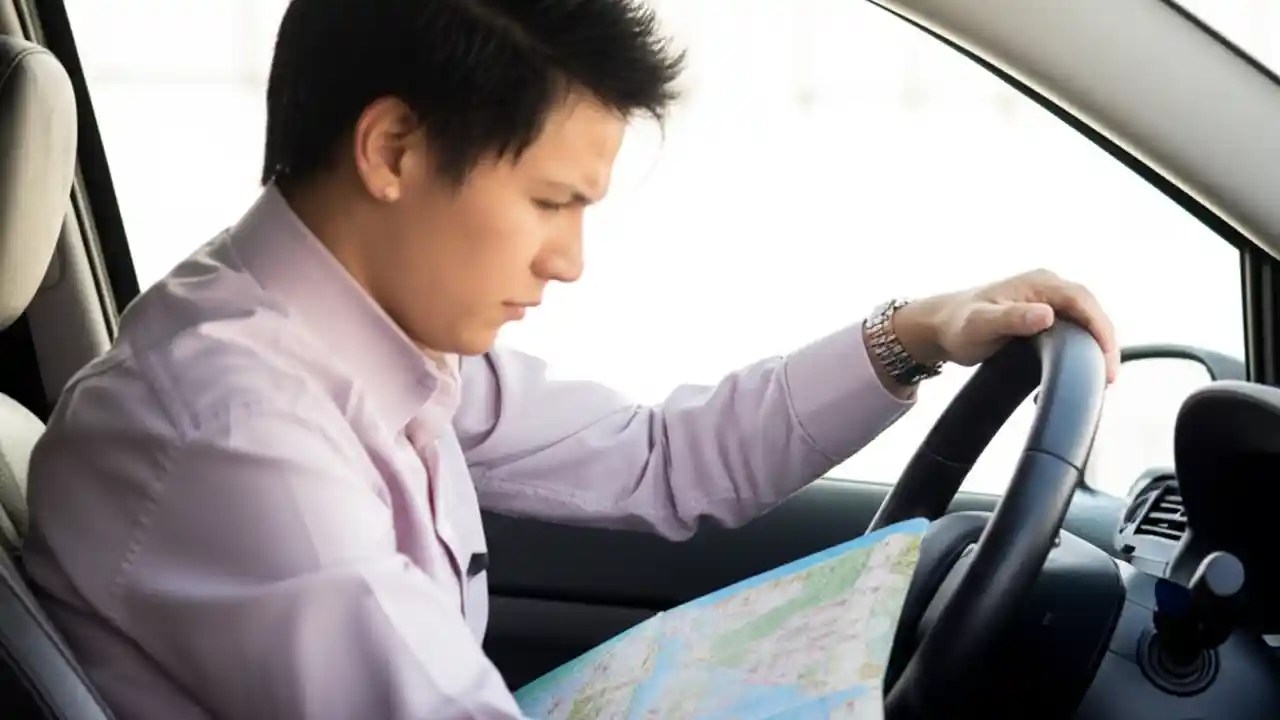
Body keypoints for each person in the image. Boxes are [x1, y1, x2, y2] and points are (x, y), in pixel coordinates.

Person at [23, 0, 1119, 718]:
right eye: (552, 202)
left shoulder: (350, 339)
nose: (568, 260)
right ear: (392, 150)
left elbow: (656, 459)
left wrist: (915, 330)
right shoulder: (228, 432)